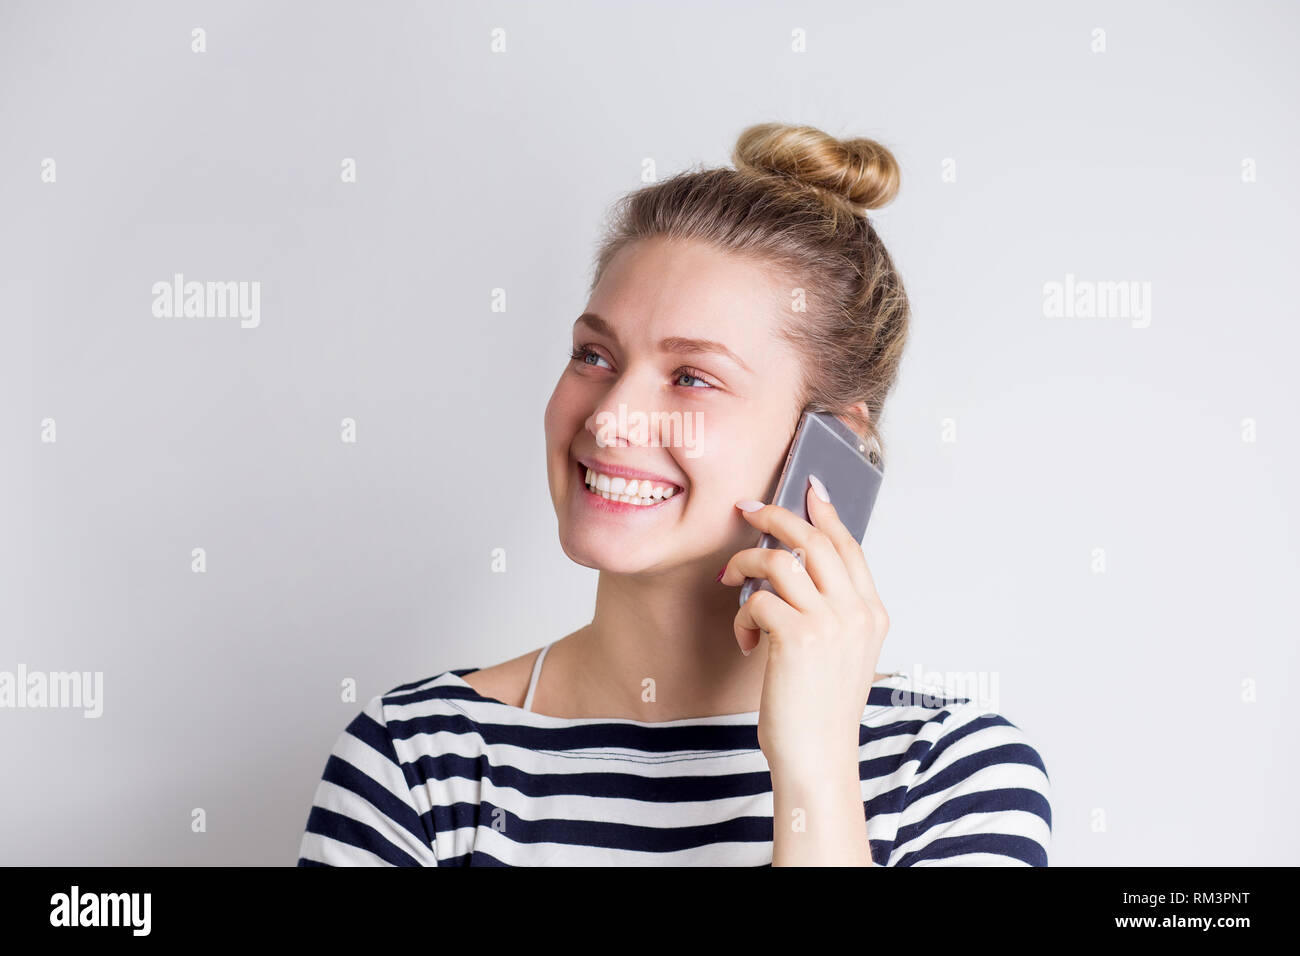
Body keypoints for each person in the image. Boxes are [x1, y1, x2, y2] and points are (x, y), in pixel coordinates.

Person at [296, 122, 1052, 866]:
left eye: (692, 376)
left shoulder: (950, 776)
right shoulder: (416, 761)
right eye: (595, 355)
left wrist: (816, 767)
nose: (607, 418)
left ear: (831, 446)